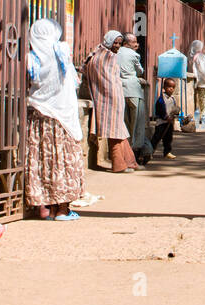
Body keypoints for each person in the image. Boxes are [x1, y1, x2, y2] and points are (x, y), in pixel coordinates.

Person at [25, 17, 86, 220]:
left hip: (39, 114)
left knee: (42, 160)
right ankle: (62, 209)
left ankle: (42, 207)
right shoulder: (61, 50)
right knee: (63, 160)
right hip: (62, 115)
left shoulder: (31, 56)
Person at [84, 30, 138, 171]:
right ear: (108, 41)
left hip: (110, 98)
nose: (117, 46)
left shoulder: (98, 54)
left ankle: (129, 161)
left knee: (119, 130)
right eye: (115, 43)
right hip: (108, 98)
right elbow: (108, 79)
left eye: (119, 43)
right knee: (115, 131)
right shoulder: (105, 57)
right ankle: (118, 164)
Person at [118, 33, 149, 159]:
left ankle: (124, 149)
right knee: (137, 123)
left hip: (120, 90)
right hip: (133, 90)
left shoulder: (116, 53)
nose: (136, 44)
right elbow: (140, 71)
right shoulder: (134, 54)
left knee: (124, 122)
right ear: (126, 43)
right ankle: (134, 150)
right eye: (134, 42)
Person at [151, 77, 180, 159]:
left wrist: (175, 114)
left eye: (173, 87)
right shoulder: (161, 99)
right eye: (169, 87)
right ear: (164, 87)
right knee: (157, 137)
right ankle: (150, 151)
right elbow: (160, 109)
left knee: (168, 138)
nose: (171, 89)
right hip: (161, 123)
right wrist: (165, 117)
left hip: (169, 123)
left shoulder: (172, 99)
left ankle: (167, 152)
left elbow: (173, 109)